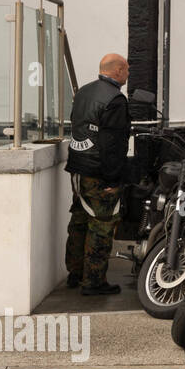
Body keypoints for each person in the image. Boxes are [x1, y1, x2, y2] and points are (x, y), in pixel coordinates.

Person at [65, 53, 132, 295]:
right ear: (117, 71)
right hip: (99, 172)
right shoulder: (115, 99)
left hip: (78, 166)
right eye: (126, 70)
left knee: (80, 219)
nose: (127, 74)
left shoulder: (83, 91)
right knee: (102, 224)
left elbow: (77, 125)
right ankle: (93, 281)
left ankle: (74, 272)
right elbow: (112, 144)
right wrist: (113, 179)